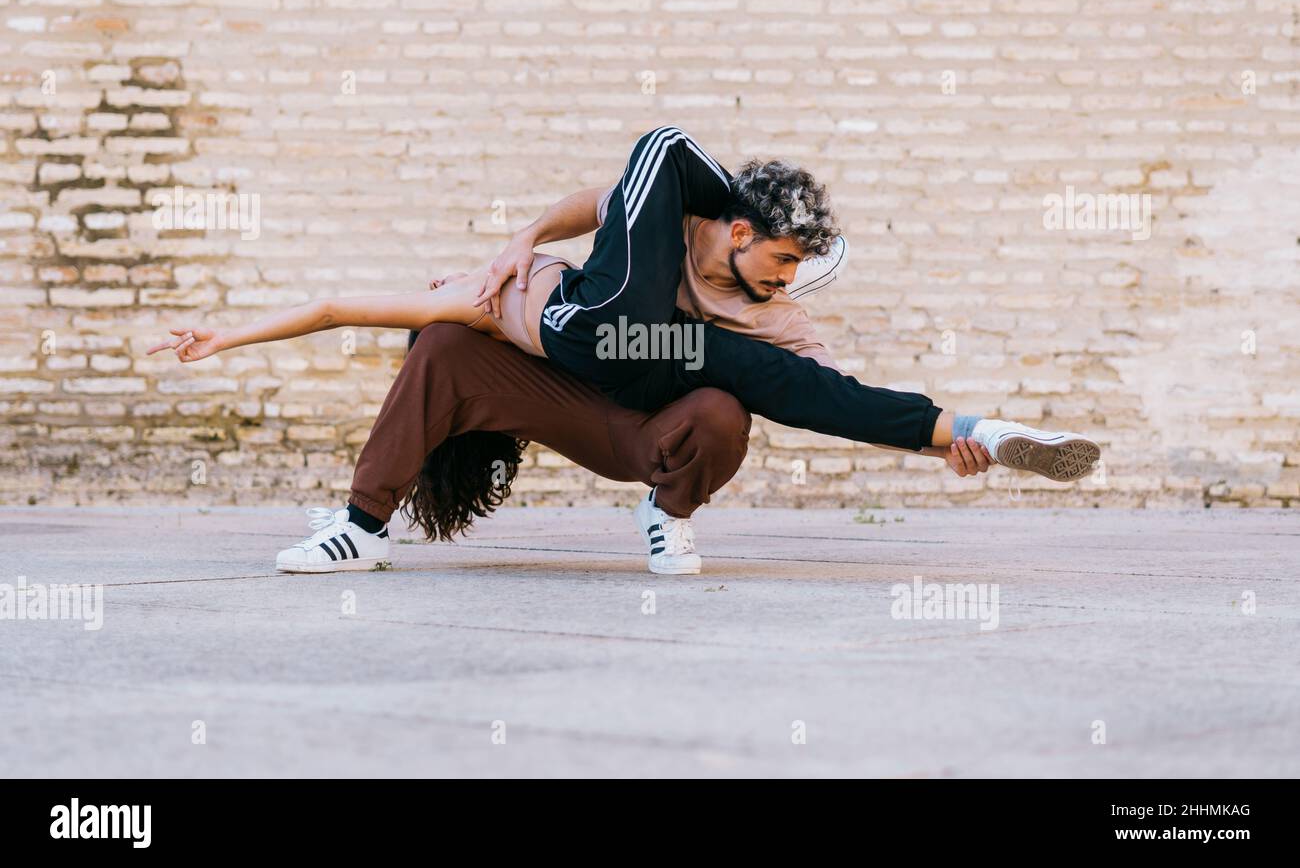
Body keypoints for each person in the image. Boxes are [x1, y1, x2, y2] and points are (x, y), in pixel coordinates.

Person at [148, 124, 1098, 571]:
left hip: (651, 397)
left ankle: (976, 424)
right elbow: (338, 305)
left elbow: (825, 395)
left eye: (802, 266)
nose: (785, 281)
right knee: (441, 339)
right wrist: (225, 335)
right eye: (780, 256)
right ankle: (360, 527)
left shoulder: (765, 305)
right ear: (732, 228)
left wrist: (941, 443)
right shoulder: (554, 272)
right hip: (573, 361)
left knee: (751, 380)